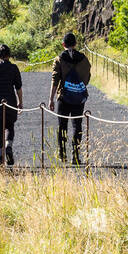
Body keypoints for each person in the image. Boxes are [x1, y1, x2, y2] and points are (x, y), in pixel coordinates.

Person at [49, 33, 91, 166]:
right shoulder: (83, 59)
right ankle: (76, 156)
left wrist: (51, 99)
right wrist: (77, 86)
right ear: (75, 44)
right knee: (77, 126)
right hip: (78, 98)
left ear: (63, 44)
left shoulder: (59, 59)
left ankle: (62, 154)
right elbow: (87, 77)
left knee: (62, 126)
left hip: (63, 97)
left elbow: (55, 80)